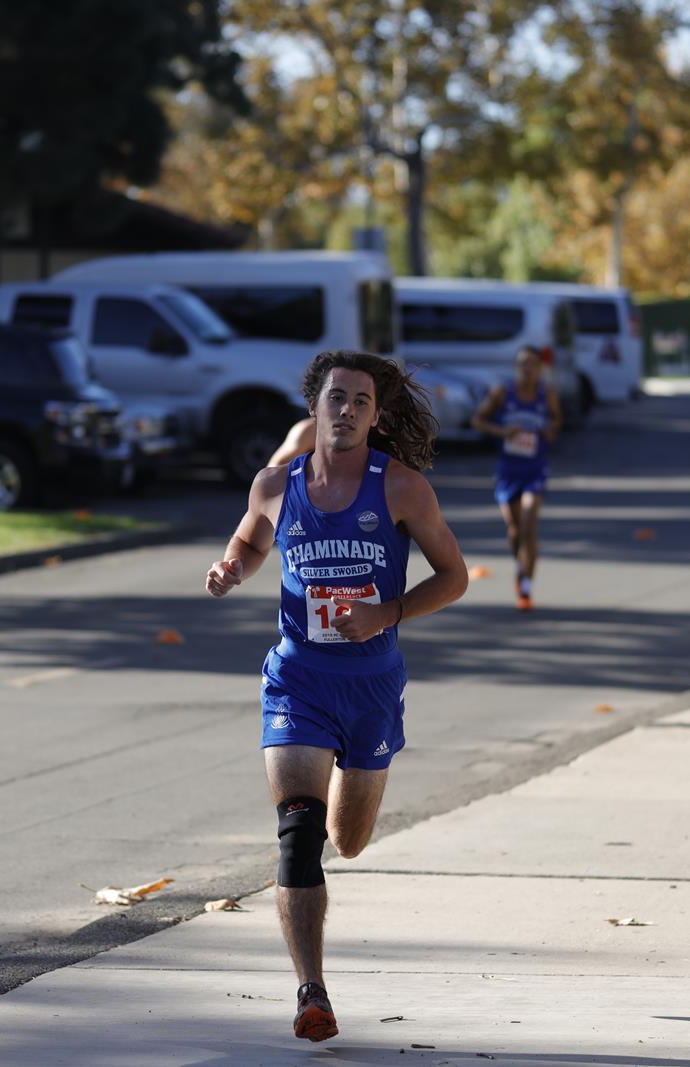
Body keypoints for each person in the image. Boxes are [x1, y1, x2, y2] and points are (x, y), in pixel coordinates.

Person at [205, 351, 468, 1043]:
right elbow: (250, 538)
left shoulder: (402, 489)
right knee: (300, 832)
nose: (346, 409)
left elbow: (454, 576)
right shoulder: (274, 483)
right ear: (314, 408)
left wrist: (386, 614)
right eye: (336, 397)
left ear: (375, 416)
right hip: (297, 679)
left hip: (372, 685)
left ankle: (358, 776)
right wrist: (233, 564)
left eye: (360, 400)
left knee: (347, 840)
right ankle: (310, 992)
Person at [471, 345, 561, 611]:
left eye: (532, 364)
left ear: (540, 368)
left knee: (529, 524)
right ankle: (520, 563)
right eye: (522, 364)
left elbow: (557, 420)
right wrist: (502, 431)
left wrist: (550, 431)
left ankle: (526, 585)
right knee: (514, 529)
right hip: (508, 470)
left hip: (535, 469)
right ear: (516, 367)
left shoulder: (547, 394)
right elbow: (477, 420)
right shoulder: (503, 393)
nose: (527, 369)